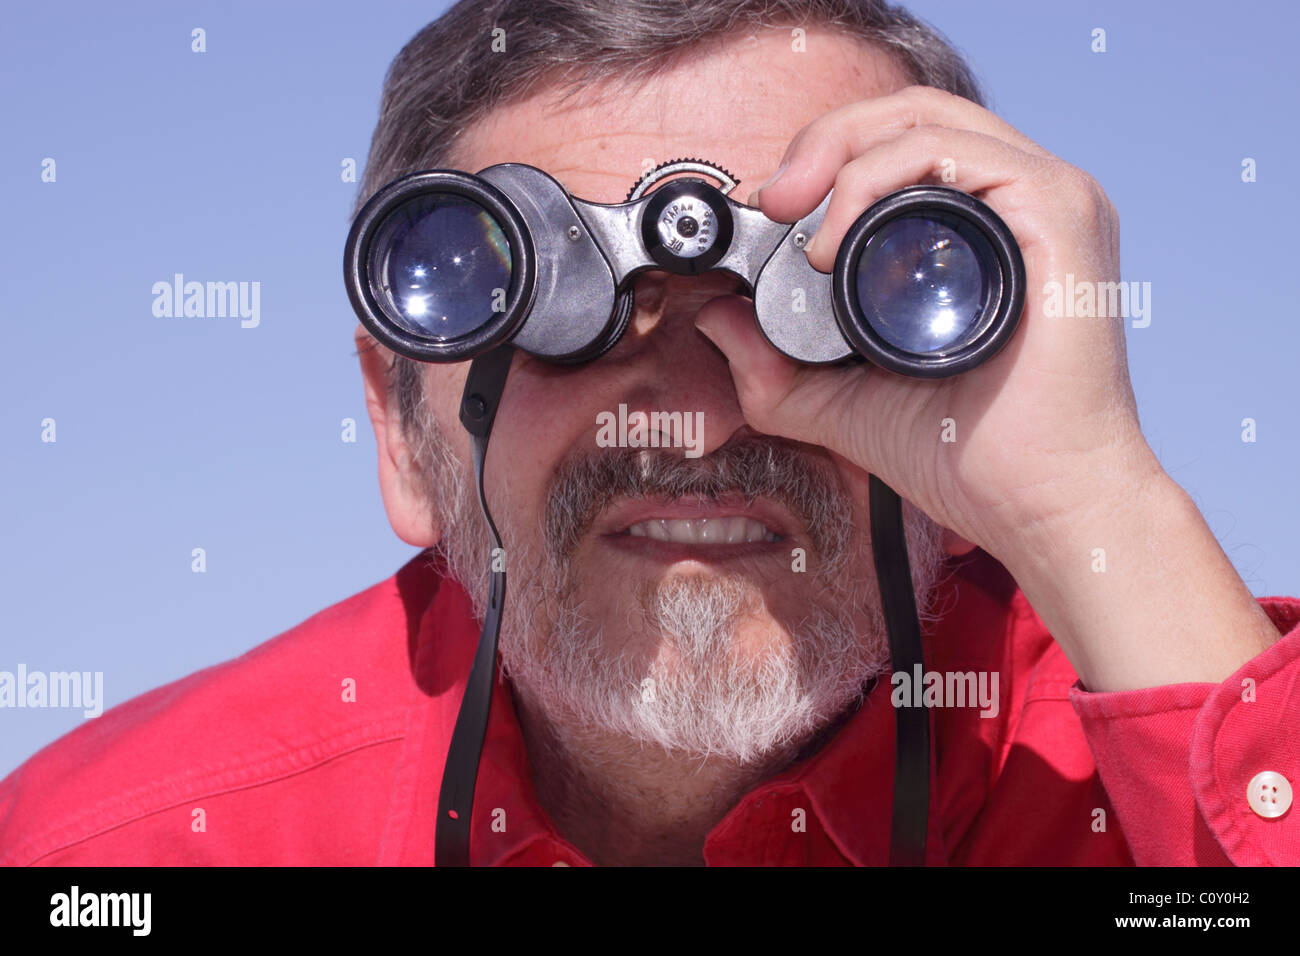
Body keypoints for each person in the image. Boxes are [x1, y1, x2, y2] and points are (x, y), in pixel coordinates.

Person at [3, 0, 1296, 867]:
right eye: (560, 309)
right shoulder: (129, 847)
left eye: (815, 304)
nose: (699, 406)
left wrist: (1092, 503)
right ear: (402, 435)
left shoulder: (1144, 797)